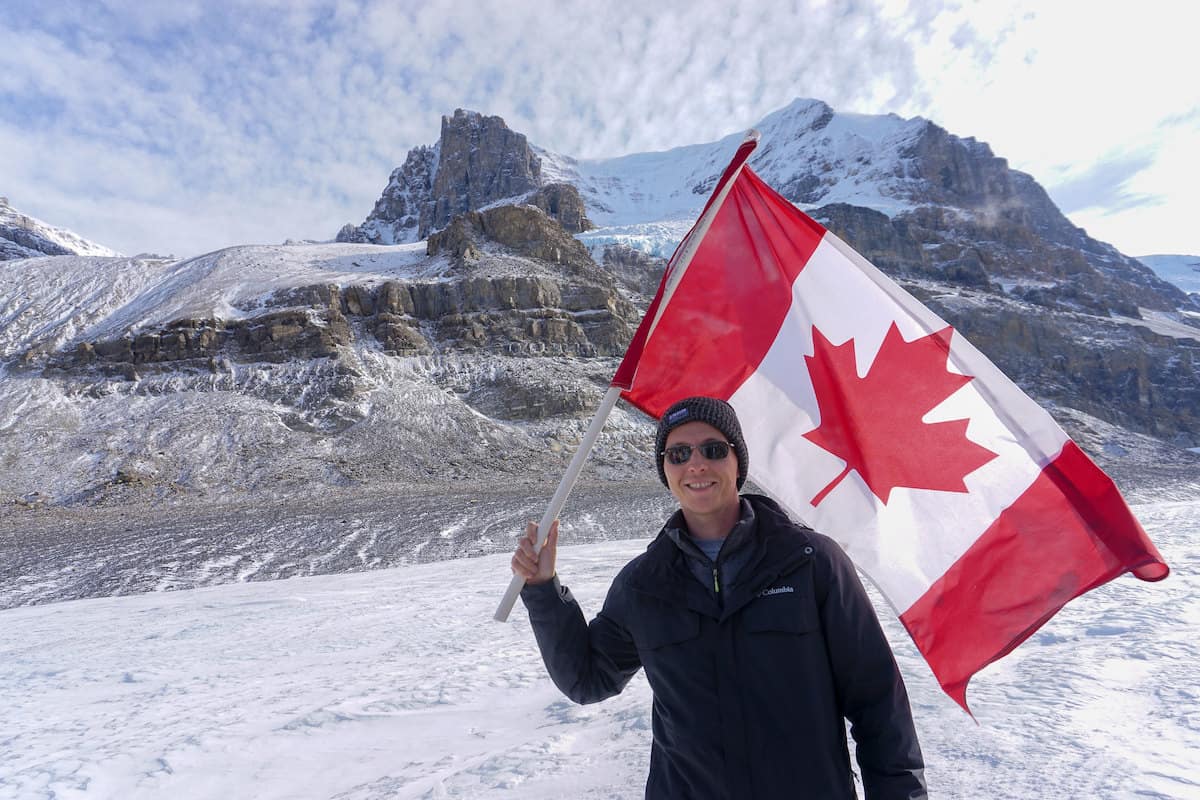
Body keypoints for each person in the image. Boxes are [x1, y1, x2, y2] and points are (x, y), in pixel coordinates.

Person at [512, 396, 926, 799]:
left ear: (737, 461)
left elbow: (878, 703)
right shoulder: (644, 584)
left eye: (713, 449)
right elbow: (587, 679)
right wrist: (543, 590)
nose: (695, 464)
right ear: (665, 469)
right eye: (677, 454)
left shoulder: (811, 562)